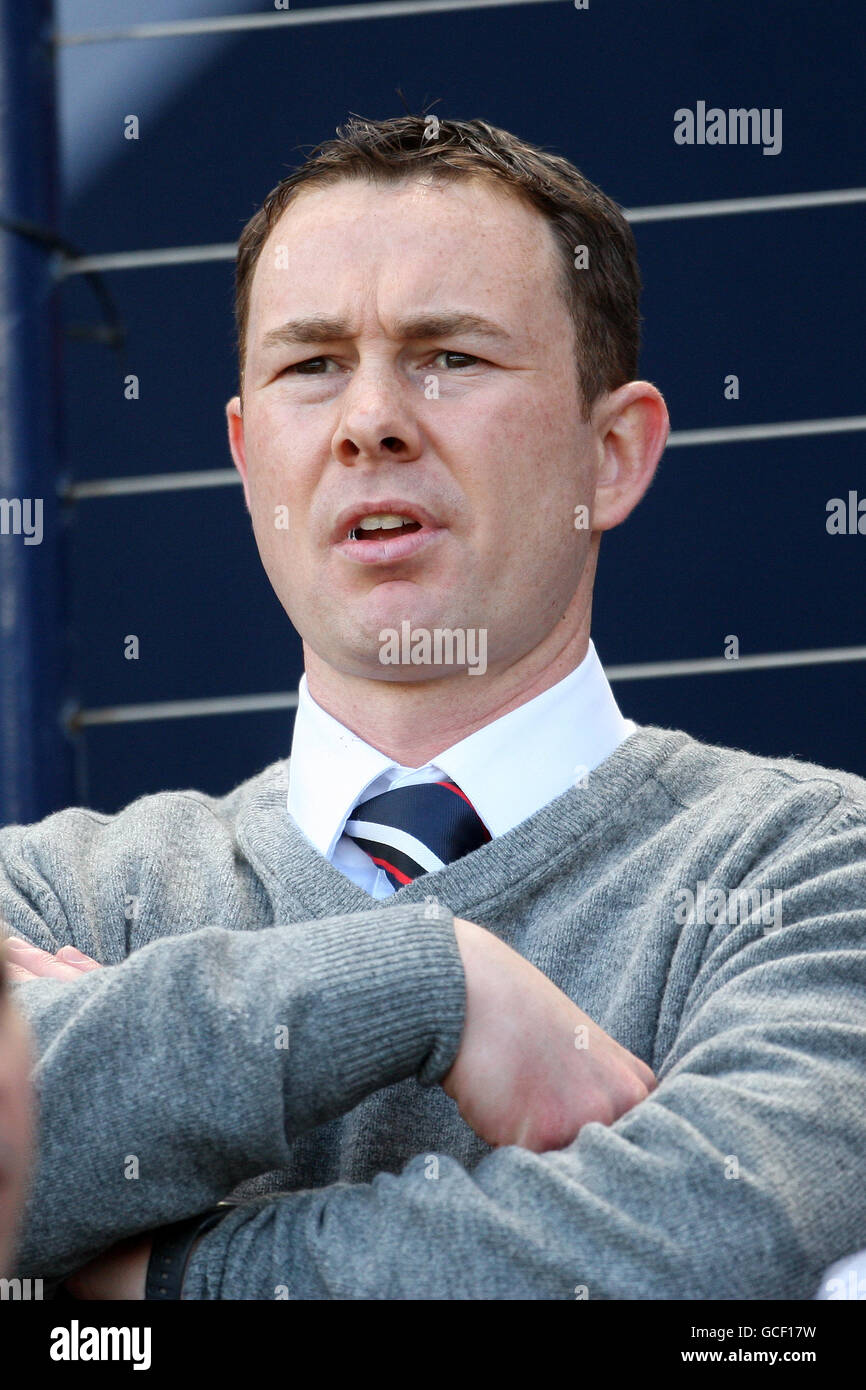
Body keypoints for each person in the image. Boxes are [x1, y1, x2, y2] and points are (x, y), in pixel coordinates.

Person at [3, 114, 865, 1301]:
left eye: (448, 355)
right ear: (249, 463)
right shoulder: (62, 887)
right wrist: (425, 981)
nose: (370, 421)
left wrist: (144, 1278)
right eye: (311, 365)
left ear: (611, 453)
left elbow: (713, 1243)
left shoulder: (813, 873)